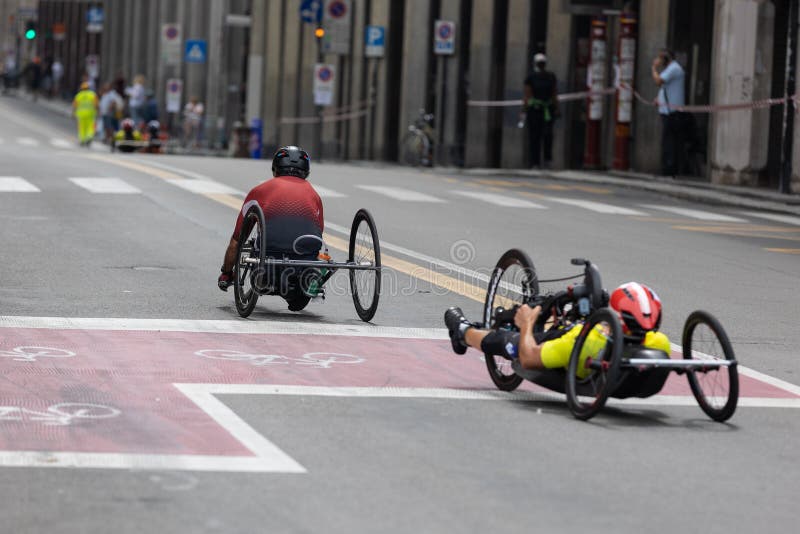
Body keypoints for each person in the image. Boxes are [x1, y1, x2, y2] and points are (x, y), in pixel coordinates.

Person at [444, 282, 670, 376]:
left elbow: (528, 358)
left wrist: (527, 323)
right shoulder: (660, 343)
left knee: (508, 341)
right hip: (606, 348)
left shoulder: (584, 341)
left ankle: (463, 331)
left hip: (565, 345)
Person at [218, 146, 324, 312]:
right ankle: (301, 286)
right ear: (306, 172)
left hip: (268, 254)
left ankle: (273, 281)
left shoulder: (259, 190)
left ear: (275, 169)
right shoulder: (314, 195)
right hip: (304, 258)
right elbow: (318, 231)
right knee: (298, 302)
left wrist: (226, 272)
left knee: (261, 272)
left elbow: (237, 240)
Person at [521, 53, 559, 169]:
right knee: (535, 136)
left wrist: (556, 108)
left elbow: (554, 93)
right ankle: (536, 162)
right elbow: (527, 95)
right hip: (535, 110)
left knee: (547, 135)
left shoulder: (550, 77)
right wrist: (524, 110)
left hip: (546, 110)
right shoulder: (531, 78)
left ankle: (546, 160)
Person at [652, 49, 686, 177]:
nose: (659, 61)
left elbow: (658, 81)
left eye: (660, 58)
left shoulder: (674, 69)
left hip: (673, 112)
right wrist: (659, 99)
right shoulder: (670, 69)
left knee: (670, 142)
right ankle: (668, 168)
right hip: (667, 111)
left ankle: (670, 169)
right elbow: (665, 88)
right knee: (668, 141)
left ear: (666, 58)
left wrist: (654, 68)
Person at [72, 81, 99, 146]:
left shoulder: (78, 95)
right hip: (90, 114)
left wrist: (73, 113)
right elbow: (96, 105)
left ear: (81, 88)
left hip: (81, 114)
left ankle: (82, 140)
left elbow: (75, 105)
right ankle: (89, 137)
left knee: (81, 127)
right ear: (88, 88)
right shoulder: (92, 95)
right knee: (90, 127)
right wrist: (97, 112)